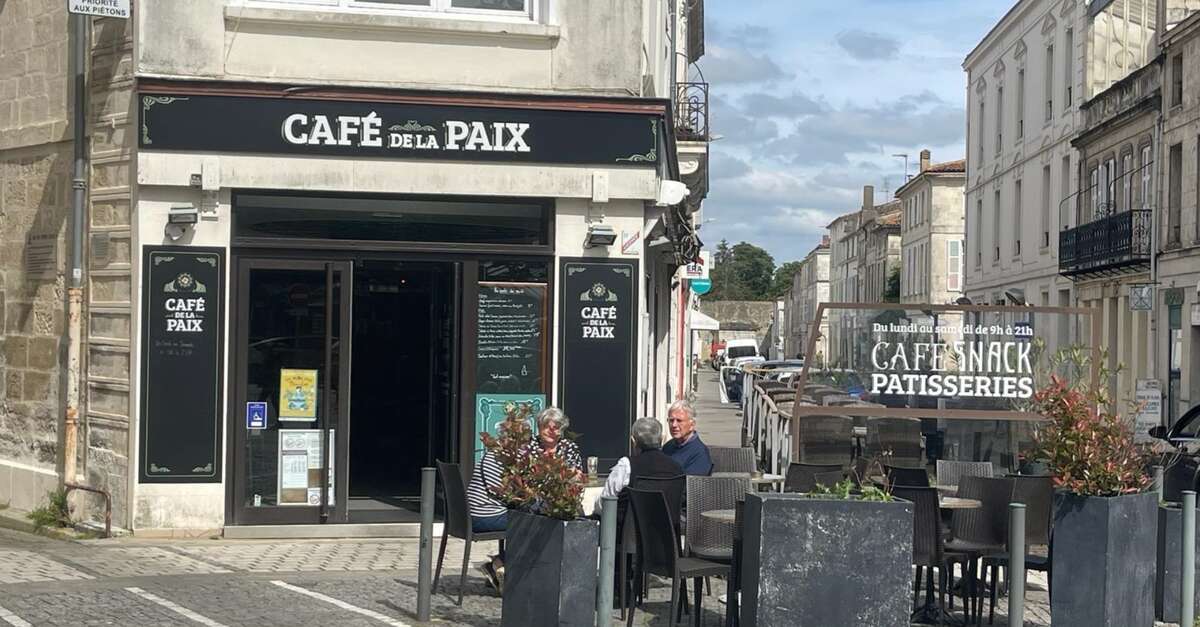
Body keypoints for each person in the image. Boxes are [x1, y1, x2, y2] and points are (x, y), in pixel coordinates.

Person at [593, 416, 684, 516]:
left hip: (630, 530)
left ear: (633, 441)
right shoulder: (676, 468)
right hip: (668, 530)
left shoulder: (626, 466)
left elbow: (606, 502)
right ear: (662, 439)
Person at [661, 399, 713, 475]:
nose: (674, 425)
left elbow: (693, 484)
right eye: (671, 420)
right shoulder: (667, 447)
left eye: (679, 421)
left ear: (692, 425)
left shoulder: (699, 453)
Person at [526, 407, 584, 473]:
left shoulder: (569, 446)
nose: (550, 431)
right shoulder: (529, 446)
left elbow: (578, 473)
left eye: (555, 428)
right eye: (546, 427)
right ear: (539, 428)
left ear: (561, 429)